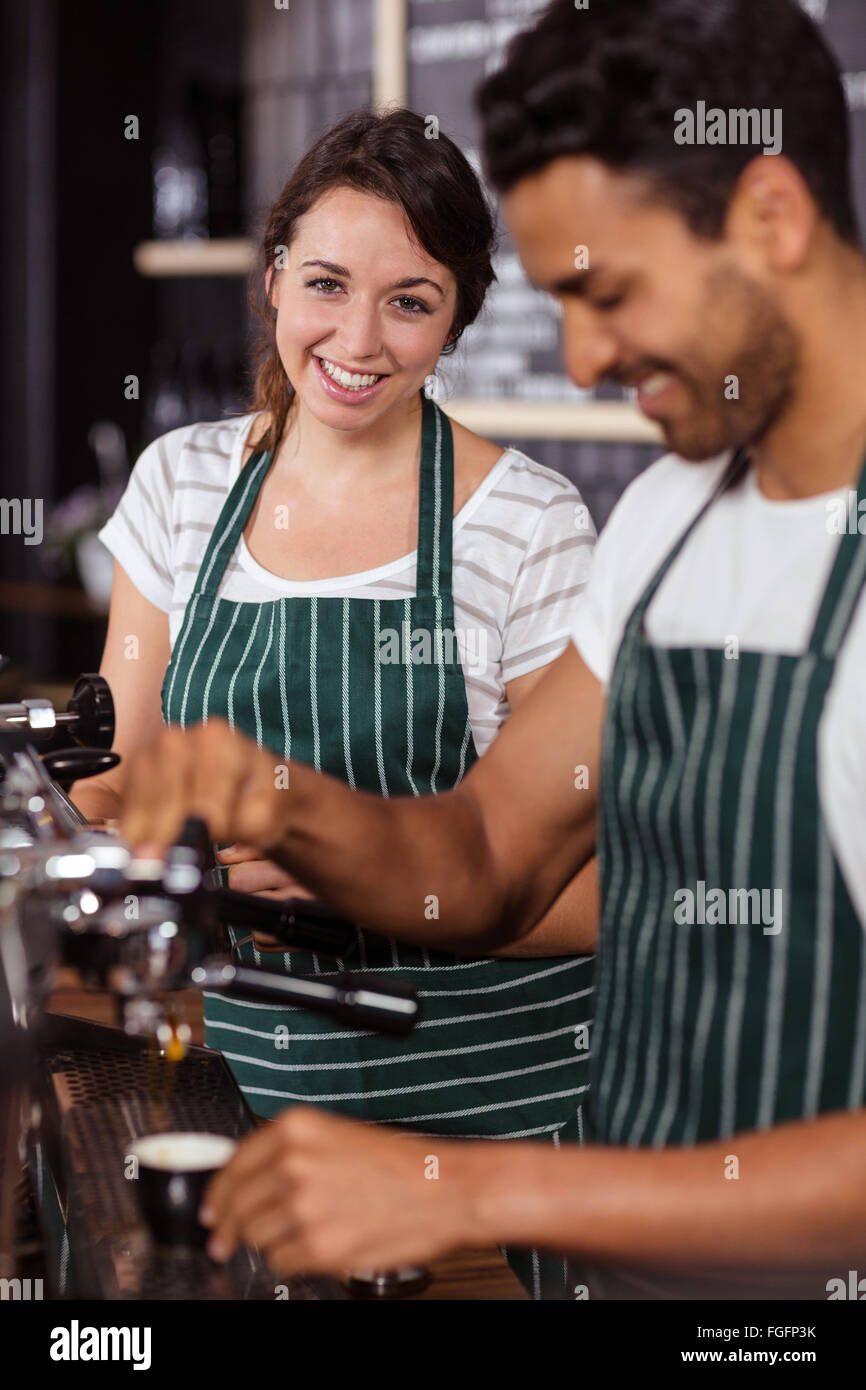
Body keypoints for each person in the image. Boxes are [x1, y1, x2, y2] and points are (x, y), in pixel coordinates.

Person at [119, 0, 866, 1298]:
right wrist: (280, 797)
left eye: (608, 290)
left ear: (770, 218)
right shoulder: (675, 522)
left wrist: (455, 1180)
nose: (581, 358)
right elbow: (488, 854)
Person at [75, 108, 598, 1300]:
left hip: (483, 1130)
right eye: (324, 284)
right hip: (240, 1096)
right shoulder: (185, 484)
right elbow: (115, 770)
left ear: (456, 316)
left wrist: (353, 871)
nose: (356, 339)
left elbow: (598, 891)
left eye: (410, 301)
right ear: (271, 283)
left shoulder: (525, 524)